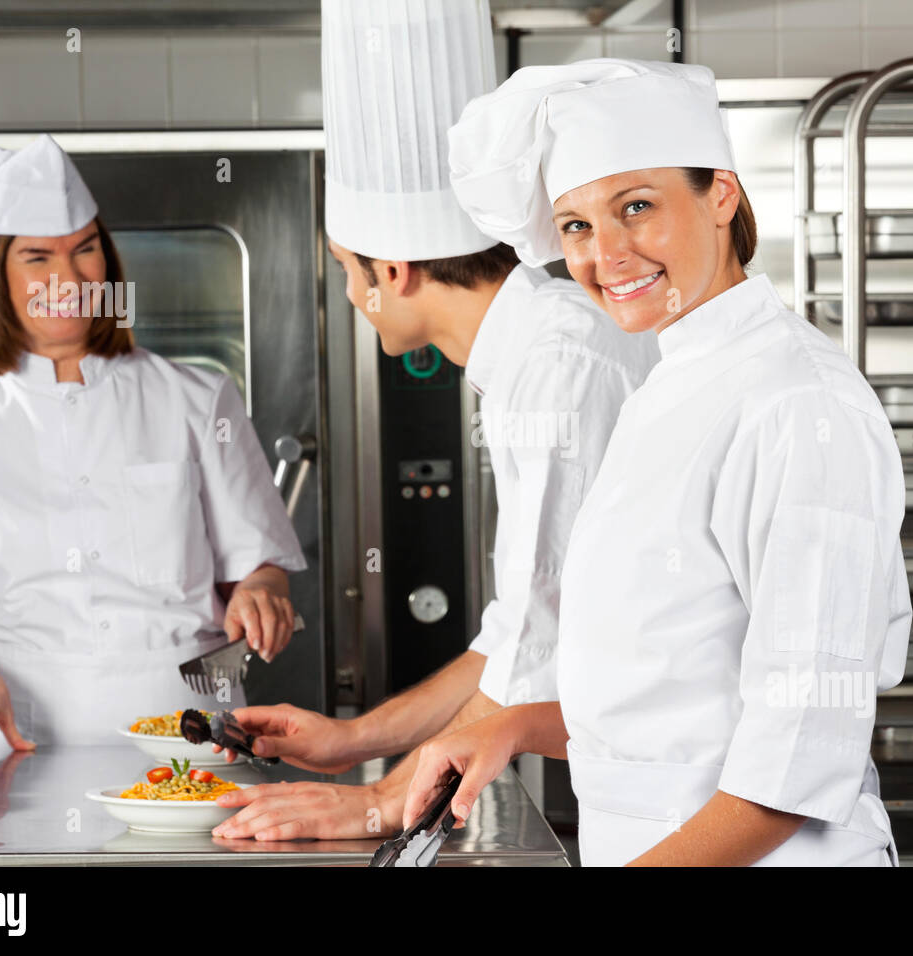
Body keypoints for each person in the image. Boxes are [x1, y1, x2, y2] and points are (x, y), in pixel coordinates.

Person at [401, 58, 913, 866]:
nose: (606, 255)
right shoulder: (668, 383)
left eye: (635, 207)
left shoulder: (798, 405)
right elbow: (664, 695)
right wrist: (511, 728)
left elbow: (797, 755)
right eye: (575, 226)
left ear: (722, 195)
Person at [209, 1, 658, 842]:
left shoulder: (561, 368)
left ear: (394, 268)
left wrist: (382, 803)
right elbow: (511, 635)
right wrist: (353, 743)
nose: (350, 298)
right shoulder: (534, 352)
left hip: (695, 812)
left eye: (348, 272)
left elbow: (533, 652)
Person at [0, 134, 305, 759]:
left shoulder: (200, 400)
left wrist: (262, 592)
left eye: (85, 249)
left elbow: (259, 566)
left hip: (190, 741)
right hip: (19, 741)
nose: (69, 277)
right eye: (37, 258)